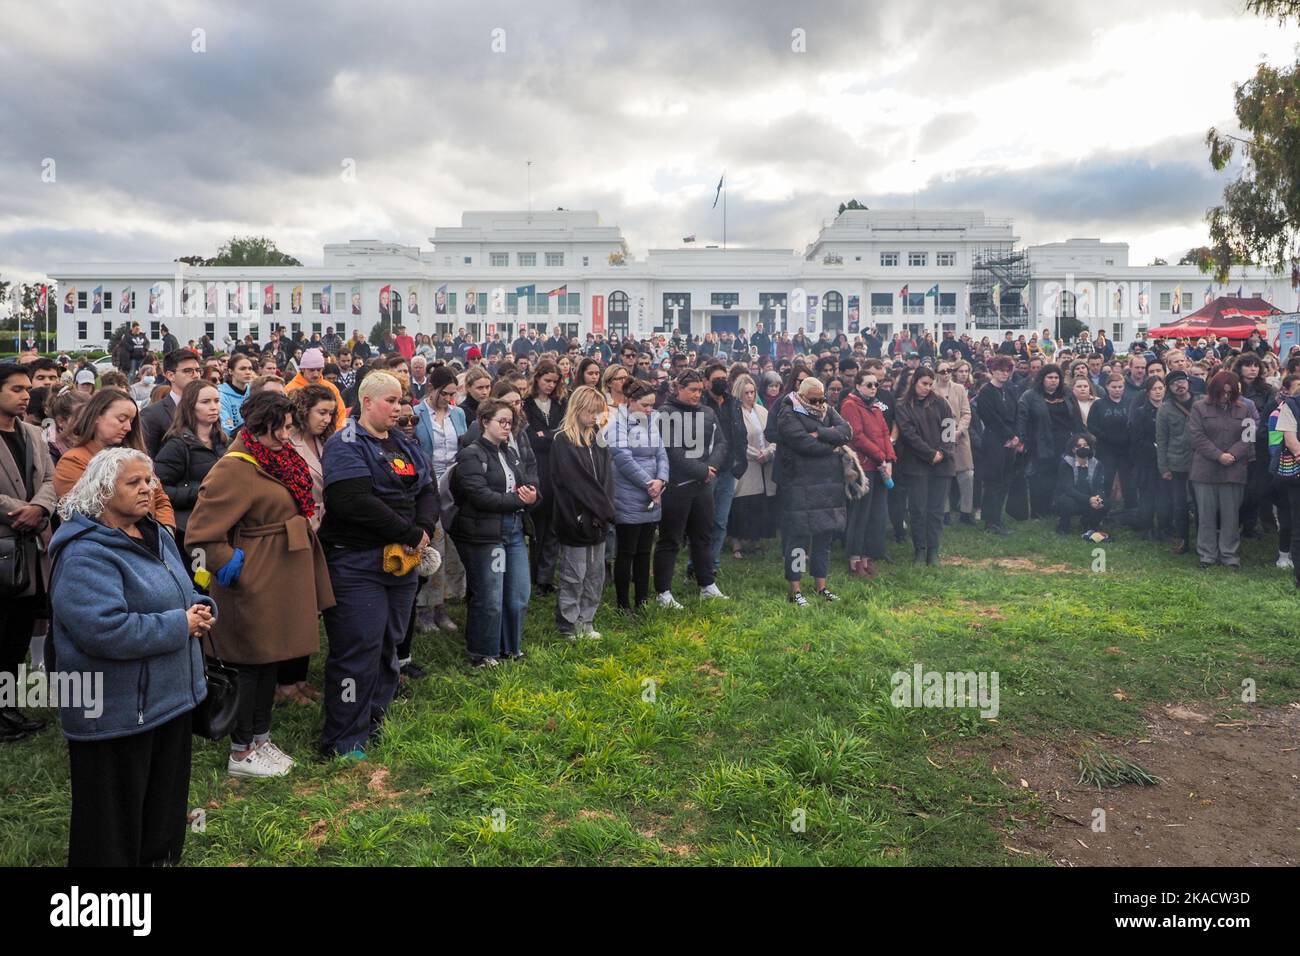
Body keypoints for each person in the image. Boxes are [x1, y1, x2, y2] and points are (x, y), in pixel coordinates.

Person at [49, 448, 213, 864]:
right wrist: (182, 625)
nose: (148, 488)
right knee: (111, 828)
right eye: (134, 482)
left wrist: (202, 607)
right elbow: (105, 631)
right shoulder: (85, 553)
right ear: (103, 492)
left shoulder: (156, 534)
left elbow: (181, 591)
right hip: (115, 715)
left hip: (169, 701)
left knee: (162, 812)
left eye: (150, 480)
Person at [185, 391, 334, 778]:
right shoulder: (234, 467)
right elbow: (200, 533)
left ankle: (261, 739)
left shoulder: (276, 458)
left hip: (280, 576)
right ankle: (240, 751)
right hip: (253, 581)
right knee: (248, 665)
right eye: (282, 427)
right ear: (262, 425)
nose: (288, 435)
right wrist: (227, 564)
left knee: (270, 659)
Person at [318, 372, 437, 754]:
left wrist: (422, 527)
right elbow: (351, 500)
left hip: (401, 563)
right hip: (357, 562)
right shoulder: (345, 444)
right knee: (358, 647)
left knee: (390, 643)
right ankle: (342, 737)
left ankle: (374, 718)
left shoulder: (404, 442)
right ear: (366, 402)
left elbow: (428, 488)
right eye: (391, 401)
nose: (399, 409)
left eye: (402, 401)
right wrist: (407, 531)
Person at [450, 399, 538, 666]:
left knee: (518, 595)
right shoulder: (471, 454)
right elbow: (480, 496)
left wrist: (532, 494)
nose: (506, 426)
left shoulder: (510, 453)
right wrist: (518, 501)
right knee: (490, 597)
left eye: (510, 422)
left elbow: (526, 482)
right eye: (501, 421)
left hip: (514, 530)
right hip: (486, 534)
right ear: (484, 422)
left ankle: (511, 648)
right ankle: (483, 652)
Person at [0, 364, 57, 742]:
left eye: (26, 389)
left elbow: (52, 479)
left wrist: (39, 508)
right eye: (17, 389)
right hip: (4, 547)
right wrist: (17, 510)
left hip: (33, 551)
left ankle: (8, 707)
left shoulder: (34, 434)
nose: (26, 395)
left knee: (18, 633)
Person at [275, 383, 338, 704]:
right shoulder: (290, 442)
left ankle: (298, 678)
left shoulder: (326, 441)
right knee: (294, 611)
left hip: (324, 533)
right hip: (299, 532)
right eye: (321, 412)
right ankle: (284, 682)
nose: (327, 419)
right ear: (304, 411)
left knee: (311, 611)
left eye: (330, 413)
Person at [653, 370, 731, 608]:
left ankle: (707, 584)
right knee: (670, 539)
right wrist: (702, 470)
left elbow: (721, 443)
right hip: (677, 486)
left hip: (703, 485)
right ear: (679, 388)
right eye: (693, 390)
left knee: (703, 537)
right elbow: (672, 452)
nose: (698, 394)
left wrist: (711, 467)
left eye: (700, 390)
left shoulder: (707, 411)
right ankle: (663, 592)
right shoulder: (665, 413)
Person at [774, 377, 851, 604]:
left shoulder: (828, 409)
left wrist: (820, 434)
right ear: (802, 395)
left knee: (823, 538)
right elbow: (803, 444)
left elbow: (846, 432)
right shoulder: (787, 412)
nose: (819, 404)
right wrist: (832, 443)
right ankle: (795, 589)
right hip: (800, 484)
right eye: (814, 399)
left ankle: (821, 586)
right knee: (798, 540)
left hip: (828, 484)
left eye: (822, 399)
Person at [54, 389, 176, 528]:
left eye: (131, 421)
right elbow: (86, 514)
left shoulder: (135, 459)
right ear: (96, 416)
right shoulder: (73, 461)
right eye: (121, 419)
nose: (128, 427)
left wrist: (166, 530)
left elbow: (160, 499)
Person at [549, 386, 616, 639]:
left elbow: (607, 478)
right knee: (574, 574)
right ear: (578, 409)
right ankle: (568, 623)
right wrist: (604, 509)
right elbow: (576, 483)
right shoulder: (562, 441)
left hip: (599, 517)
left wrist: (606, 509)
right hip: (575, 517)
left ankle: (586, 620)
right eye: (591, 411)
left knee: (595, 574)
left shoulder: (597, 438)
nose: (595, 417)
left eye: (598, 412)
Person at [605, 379, 668, 612]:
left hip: (652, 495)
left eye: (652, 405)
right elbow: (622, 457)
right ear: (631, 401)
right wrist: (648, 483)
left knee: (644, 552)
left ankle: (642, 600)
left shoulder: (651, 421)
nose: (649, 409)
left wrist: (661, 480)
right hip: (628, 494)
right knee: (627, 551)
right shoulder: (617, 424)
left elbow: (661, 452)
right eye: (645, 405)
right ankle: (623, 603)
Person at [412, 366, 466, 633]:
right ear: (432, 389)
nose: (449, 399)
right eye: (445, 393)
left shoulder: (458, 414)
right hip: (428, 484)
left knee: (451, 548)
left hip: (453, 485)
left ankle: (442, 605)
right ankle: (424, 608)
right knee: (433, 544)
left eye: (453, 394)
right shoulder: (417, 414)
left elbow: (463, 447)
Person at [152, 379, 228, 554]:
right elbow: (158, 488)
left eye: (216, 401)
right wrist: (199, 492)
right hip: (192, 530)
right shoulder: (177, 445)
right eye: (205, 402)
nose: (213, 407)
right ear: (190, 406)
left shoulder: (224, 442)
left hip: (222, 525)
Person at [1189, 371, 1255, 569]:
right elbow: (1196, 436)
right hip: (1205, 470)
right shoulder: (1199, 407)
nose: (1225, 396)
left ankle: (1230, 555)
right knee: (1206, 515)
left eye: (1229, 393)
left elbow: (1249, 436)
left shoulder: (1245, 409)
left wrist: (1233, 455)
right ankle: (1207, 555)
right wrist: (1219, 455)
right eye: (1222, 392)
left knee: (1231, 516)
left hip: (1234, 471)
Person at [894, 368, 957, 565]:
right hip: (916, 465)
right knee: (918, 509)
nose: (927, 388)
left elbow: (949, 427)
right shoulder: (903, 405)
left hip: (942, 464)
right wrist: (930, 454)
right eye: (923, 383)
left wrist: (943, 452)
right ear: (914, 382)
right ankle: (919, 550)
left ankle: (934, 550)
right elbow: (908, 434)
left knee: (936, 510)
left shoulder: (940, 402)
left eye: (930, 384)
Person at [840, 368, 895, 578]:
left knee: (876, 515)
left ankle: (867, 557)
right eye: (869, 385)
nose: (873, 388)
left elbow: (884, 432)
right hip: (863, 468)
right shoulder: (850, 405)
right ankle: (854, 559)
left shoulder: (876, 408)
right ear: (858, 385)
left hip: (880, 467)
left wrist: (889, 459)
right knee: (860, 515)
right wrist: (881, 457)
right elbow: (858, 437)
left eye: (876, 385)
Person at [522, 361, 567, 594]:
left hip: (557, 469)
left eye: (554, 381)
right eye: (547, 380)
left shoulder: (560, 403)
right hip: (537, 470)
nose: (550, 385)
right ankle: (534, 576)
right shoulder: (527, 404)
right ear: (537, 378)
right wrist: (549, 435)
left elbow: (563, 432)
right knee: (538, 528)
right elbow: (532, 437)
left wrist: (546, 434)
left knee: (552, 528)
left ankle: (546, 578)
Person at [1017, 364, 1081, 520]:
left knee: (1062, 476)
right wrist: (1022, 440)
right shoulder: (1030, 396)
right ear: (1042, 378)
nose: (1054, 381)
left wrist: (1081, 436)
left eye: (1056, 377)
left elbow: (1076, 417)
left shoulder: (1067, 394)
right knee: (1041, 478)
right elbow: (1022, 420)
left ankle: (1058, 507)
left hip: (1065, 441)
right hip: (1040, 441)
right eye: (1050, 377)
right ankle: (1039, 510)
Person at [727, 374, 776, 560]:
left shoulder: (762, 411)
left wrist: (769, 452)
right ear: (739, 393)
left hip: (765, 463)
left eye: (752, 392)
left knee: (758, 504)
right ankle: (737, 543)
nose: (750, 395)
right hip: (746, 464)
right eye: (746, 392)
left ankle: (755, 540)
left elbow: (772, 435)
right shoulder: (735, 413)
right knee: (742, 504)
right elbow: (737, 441)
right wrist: (757, 455)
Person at [975, 356, 1021, 535]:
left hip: (1011, 442)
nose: (1004, 373)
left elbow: (1017, 414)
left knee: (1004, 481)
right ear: (992, 371)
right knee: (993, 482)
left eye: (1007, 370)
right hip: (994, 440)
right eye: (1000, 370)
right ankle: (990, 521)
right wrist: (1009, 436)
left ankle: (998, 519)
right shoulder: (986, 391)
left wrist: (1016, 436)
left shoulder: (1010, 390)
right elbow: (991, 418)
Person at [1156, 371, 1196, 554]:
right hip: (1177, 462)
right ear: (1169, 388)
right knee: (1179, 505)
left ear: (1188, 382)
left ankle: (1204, 540)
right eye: (1174, 383)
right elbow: (1161, 439)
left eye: (1181, 381)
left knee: (1202, 504)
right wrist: (1163, 467)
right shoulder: (1165, 409)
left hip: (1201, 461)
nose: (1179, 385)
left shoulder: (1202, 402)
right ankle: (1182, 540)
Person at [932, 360, 975, 525]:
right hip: (938, 436)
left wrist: (959, 430)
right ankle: (944, 512)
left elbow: (966, 413)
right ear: (936, 372)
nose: (946, 374)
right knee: (943, 475)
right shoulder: (932, 389)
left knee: (967, 475)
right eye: (942, 371)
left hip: (959, 436)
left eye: (949, 370)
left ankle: (966, 511)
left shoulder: (959, 389)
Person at [140, 350, 203, 458]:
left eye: (198, 370)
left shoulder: (208, 408)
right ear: (170, 375)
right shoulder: (152, 415)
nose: (196, 375)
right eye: (188, 371)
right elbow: (147, 458)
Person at [1129, 377, 1169, 539]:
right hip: (1146, 461)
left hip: (1166, 460)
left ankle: (1164, 528)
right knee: (1147, 495)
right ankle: (1147, 528)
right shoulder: (1140, 412)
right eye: (1154, 389)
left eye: (1160, 388)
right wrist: (1154, 447)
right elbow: (1136, 438)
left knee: (1164, 496)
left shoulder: (1169, 410)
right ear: (1148, 392)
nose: (1158, 391)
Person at [1054, 432, 1108, 534]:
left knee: (1105, 502)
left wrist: (1097, 498)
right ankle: (1063, 525)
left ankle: (1090, 524)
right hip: (1072, 498)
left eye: (1085, 445)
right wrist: (1089, 499)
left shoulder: (1097, 464)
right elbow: (1068, 489)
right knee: (1066, 502)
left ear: (1090, 447)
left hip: (1090, 498)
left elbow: (1099, 486)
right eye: (1079, 446)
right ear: (1073, 449)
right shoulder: (1066, 463)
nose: (1082, 448)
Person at [220, 353, 256, 434]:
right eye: (242, 369)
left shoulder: (254, 392)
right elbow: (227, 430)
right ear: (230, 371)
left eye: (250, 368)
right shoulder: (221, 394)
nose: (248, 372)